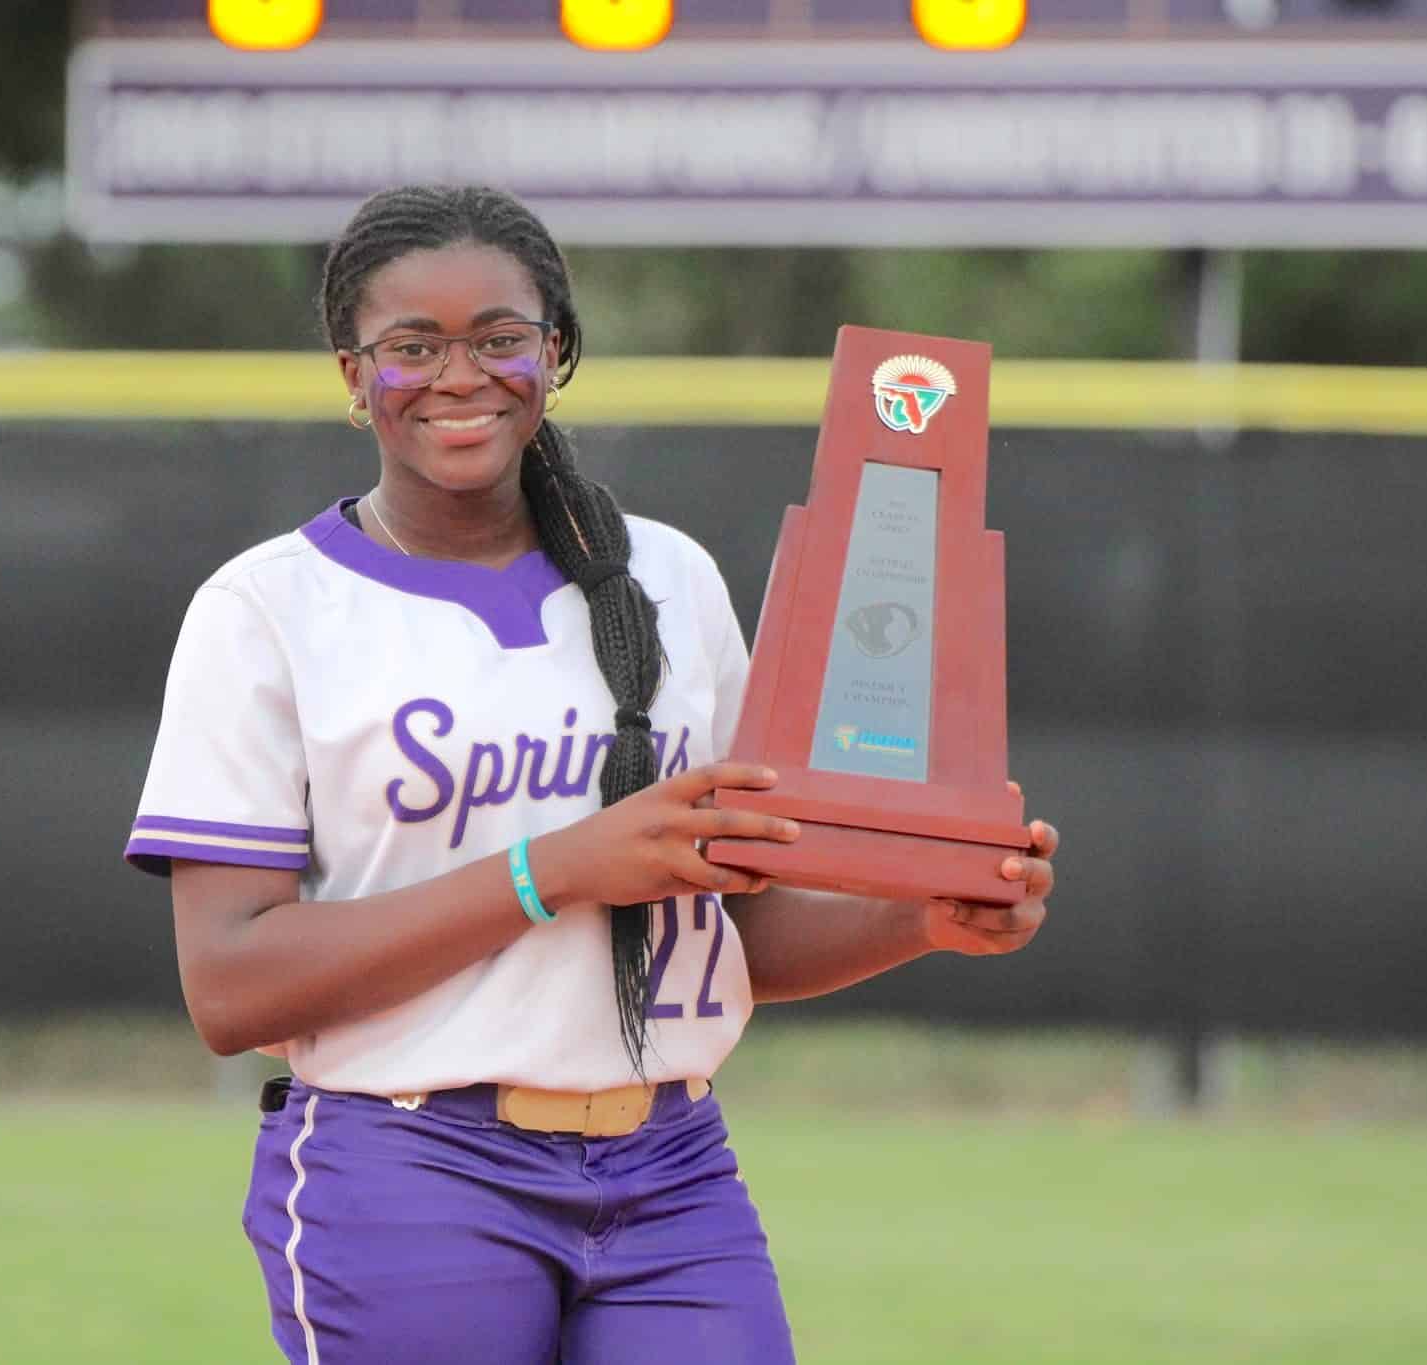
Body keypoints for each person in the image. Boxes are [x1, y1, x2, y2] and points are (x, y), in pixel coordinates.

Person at [124, 184, 1058, 1365]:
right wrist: (555, 870)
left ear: (555, 354)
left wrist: (922, 914)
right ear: (352, 374)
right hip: (408, 1161)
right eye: (411, 346)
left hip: (669, 1166)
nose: (459, 375)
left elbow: (733, 940)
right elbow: (230, 988)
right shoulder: (264, 608)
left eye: (501, 338)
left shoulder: (669, 578)